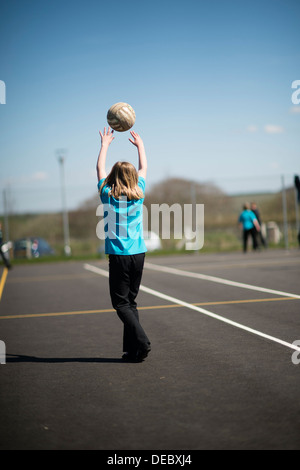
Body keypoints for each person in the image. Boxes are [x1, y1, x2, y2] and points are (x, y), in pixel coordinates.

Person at [96, 126, 151, 362]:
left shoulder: (107, 195)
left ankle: (142, 342)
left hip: (119, 256)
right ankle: (132, 351)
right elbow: (144, 168)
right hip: (138, 254)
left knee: (120, 303)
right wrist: (141, 146)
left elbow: (99, 168)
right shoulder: (139, 192)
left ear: (112, 177)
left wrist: (105, 145)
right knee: (130, 302)